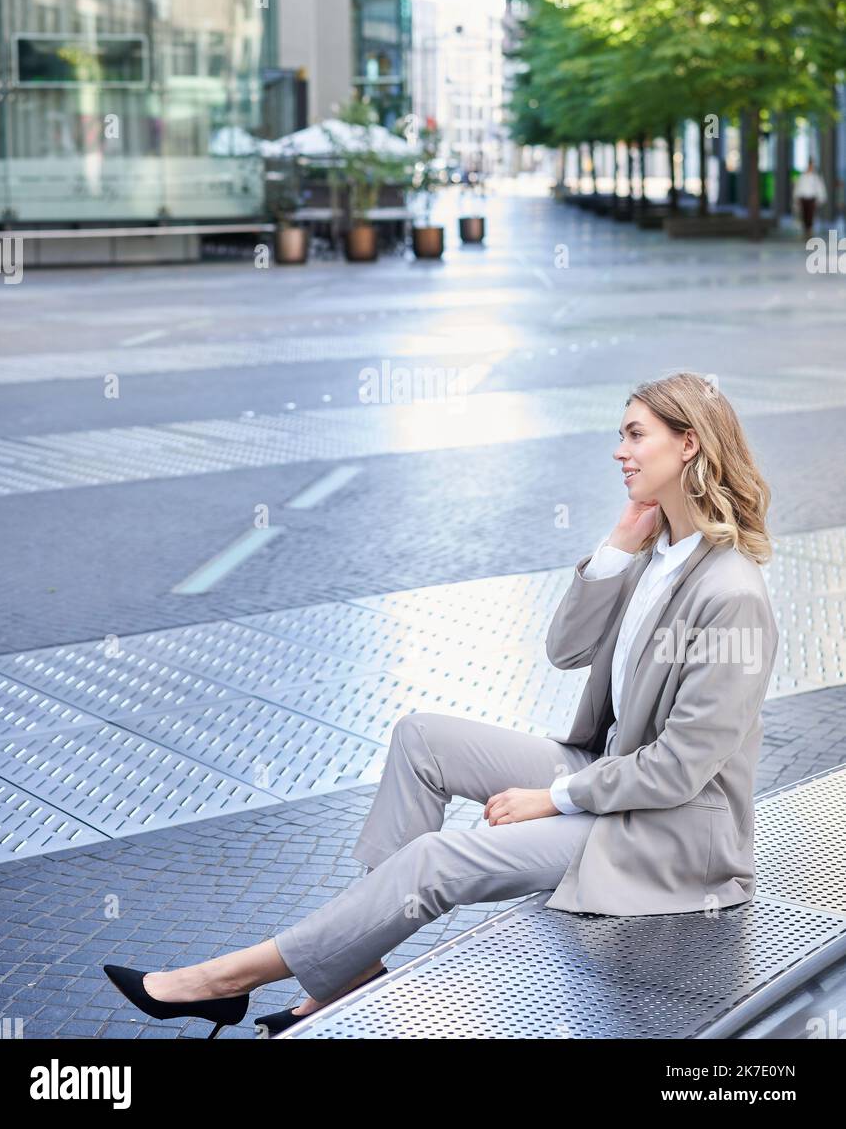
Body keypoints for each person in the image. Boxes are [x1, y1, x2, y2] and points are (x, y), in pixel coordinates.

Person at [103, 371, 778, 1038]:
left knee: (435, 860)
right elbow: (566, 649)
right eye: (620, 435)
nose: (618, 450)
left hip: (673, 832)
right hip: (611, 774)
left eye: (635, 434)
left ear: (688, 445)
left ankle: (222, 981)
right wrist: (614, 550)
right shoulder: (656, 552)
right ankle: (355, 966)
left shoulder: (731, 591)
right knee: (421, 737)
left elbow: (680, 769)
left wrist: (557, 796)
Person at [793, 158, 827, 238]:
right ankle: (806, 229)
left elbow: (820, 188)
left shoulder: (815, 177)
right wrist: (796, 198)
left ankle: (809, 229)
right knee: (804, 214)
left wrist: (821, 198)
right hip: (803, 198)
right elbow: (798, 187)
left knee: (811, 214)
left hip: (812, 198)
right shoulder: (802, 176)